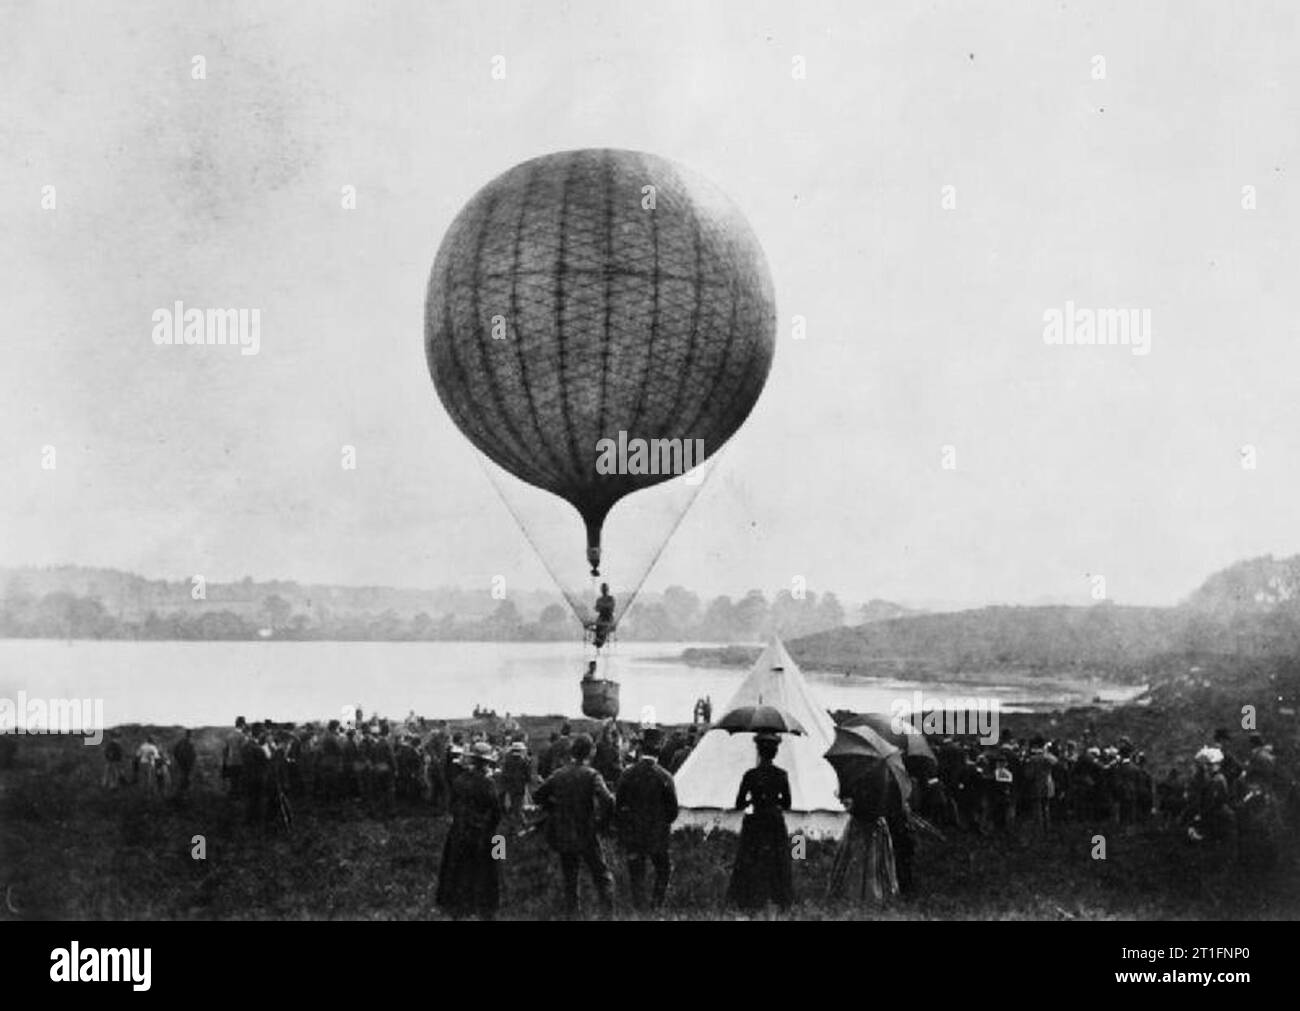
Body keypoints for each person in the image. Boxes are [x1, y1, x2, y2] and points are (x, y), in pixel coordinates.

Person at [533, 733, 615, 916]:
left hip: (564, 832)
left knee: (570, 878)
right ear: (590, 753)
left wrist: (553, 807)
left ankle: (573, 915)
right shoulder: (592, 775)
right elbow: (608, 801)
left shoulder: (559, 774)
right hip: (587, 832)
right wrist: (603, 824)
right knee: (603, 877)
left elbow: (538, 796)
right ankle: (607, 916)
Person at [726, 730, 793, 912]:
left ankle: (751, 898)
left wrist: (754, 800)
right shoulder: (782, 775)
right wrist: (773, 801)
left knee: (752, 860)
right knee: (777, 860)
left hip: (755, 821)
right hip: (774, 822)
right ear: (775, 752)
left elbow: (739, 803)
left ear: (758, 751)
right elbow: (787, 803)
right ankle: (778, 898)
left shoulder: (750, 775)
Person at [436, 742, 503, 919]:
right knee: (489, 868)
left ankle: (455, 902)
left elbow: (452, 806)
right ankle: (486, 902)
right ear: (487, 763)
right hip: (482, 834)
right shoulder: (489, 784)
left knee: (457, 868)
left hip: (459, 831)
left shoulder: (460, 780)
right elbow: (497, 813)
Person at [614, 728, 679, 910]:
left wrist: (625, 828)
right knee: (663, 870)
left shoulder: (627, 774)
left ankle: (639, 908)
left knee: (636, 873)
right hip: (657, 835)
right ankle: (656, 905)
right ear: (659, 751)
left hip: (633, 834)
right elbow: (673, 811)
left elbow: (618, 807)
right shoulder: (665, 777)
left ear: (642, 749)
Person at [222, 720, 246, 798]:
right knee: (238, 779)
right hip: (240, 761)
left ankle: (232, 794)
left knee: (233, 779)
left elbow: (225, 749)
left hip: (230, 761)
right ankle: (236, 795)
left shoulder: (229, 735)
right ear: (242, 725)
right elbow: (244, 749)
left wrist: (225, 761)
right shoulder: (242, 736)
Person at [173, 730, 197, 798]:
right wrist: (192, 762)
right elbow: (193, 754)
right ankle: (185, 792)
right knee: (187, 776)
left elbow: (175, 751)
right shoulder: (190, 742)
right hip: (188, 763)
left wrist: (178, 760)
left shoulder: (181, 742)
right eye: (191, 734)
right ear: (190, 734)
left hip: (182, 763)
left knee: (183, 776)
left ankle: (182, 792)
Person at [592, 583, 616, 649]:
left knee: (605, 626)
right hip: (601, 616)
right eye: (603, 589)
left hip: (609, 616)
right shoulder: (599, 599)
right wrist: (603, 607)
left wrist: (603, 607)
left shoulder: (611, 598)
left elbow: (612, 607)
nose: (604, 590)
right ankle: (598, 639)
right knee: (598, 624)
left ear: (607, 590)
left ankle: (600, 640)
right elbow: (597, 609)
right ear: (601, 590)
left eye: (605, 589)